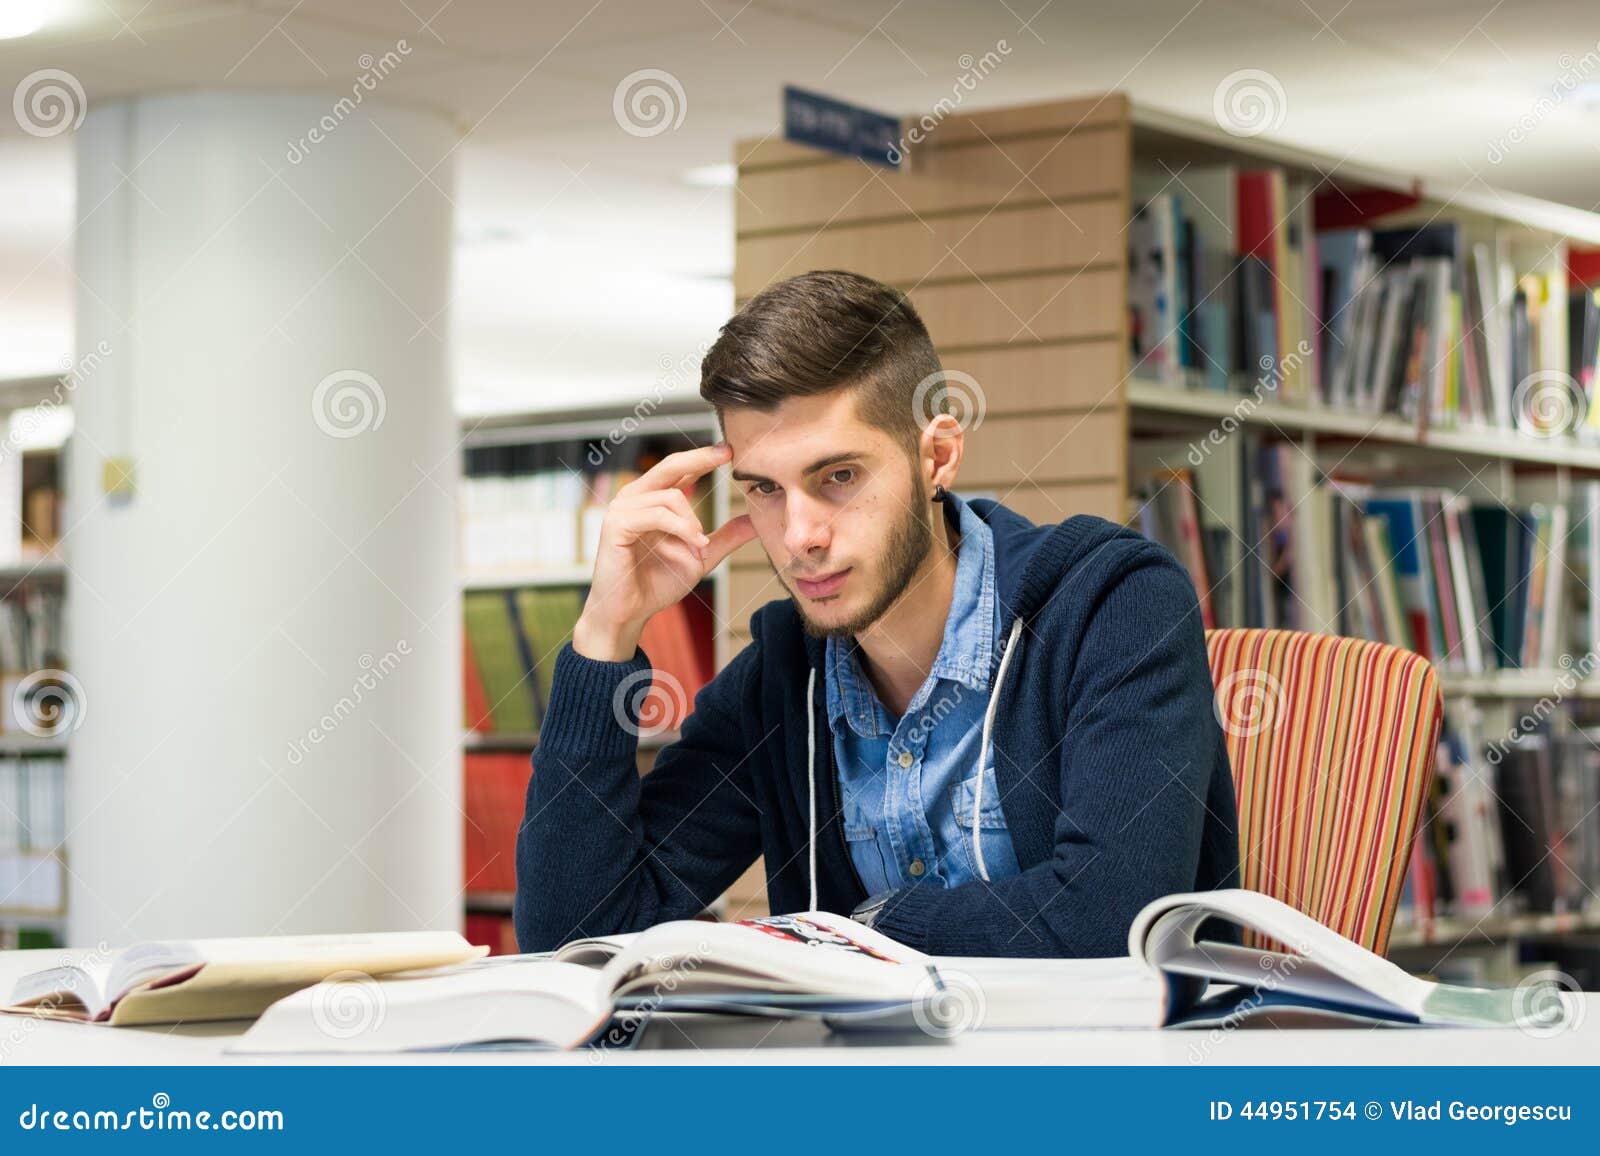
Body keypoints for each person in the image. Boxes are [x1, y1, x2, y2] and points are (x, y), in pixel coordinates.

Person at [515, 269, 1238, 957]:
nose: (800, 536)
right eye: (764, 489)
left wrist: (853, 932)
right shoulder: (782, 679)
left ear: (938, 456)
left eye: (838, 477)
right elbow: (577, 936)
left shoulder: (1111, 605)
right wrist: (605, 634)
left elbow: (1113, 920)